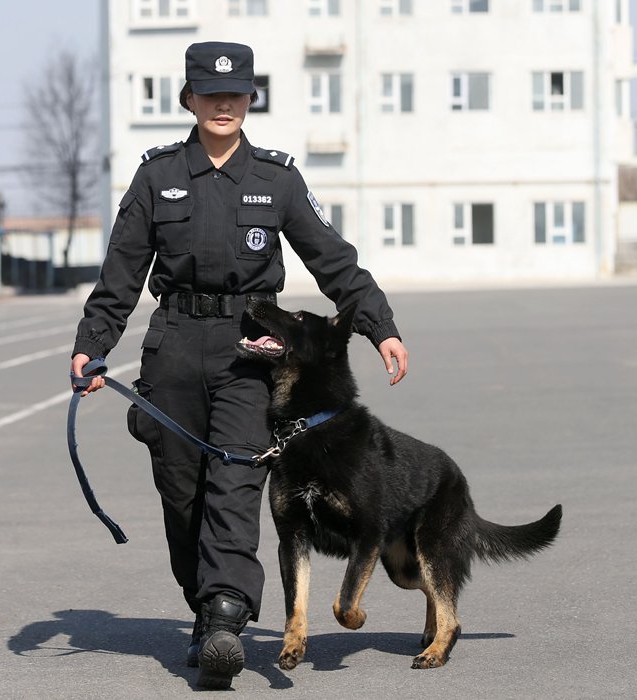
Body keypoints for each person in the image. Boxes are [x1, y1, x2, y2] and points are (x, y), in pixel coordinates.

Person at [70, 41, 408, 690]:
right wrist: (93, 345)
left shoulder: (275, 180)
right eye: (210, 93)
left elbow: (333, 260)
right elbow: (121, 274)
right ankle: (205, 605)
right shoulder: (156, 176)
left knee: (234, 481)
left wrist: (378, 324)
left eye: (236, 94)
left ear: (250, 99)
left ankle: (226, 614)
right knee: (181, 490)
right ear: (189, 99)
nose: (224, 104)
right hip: (172, 347)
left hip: (250, 352)